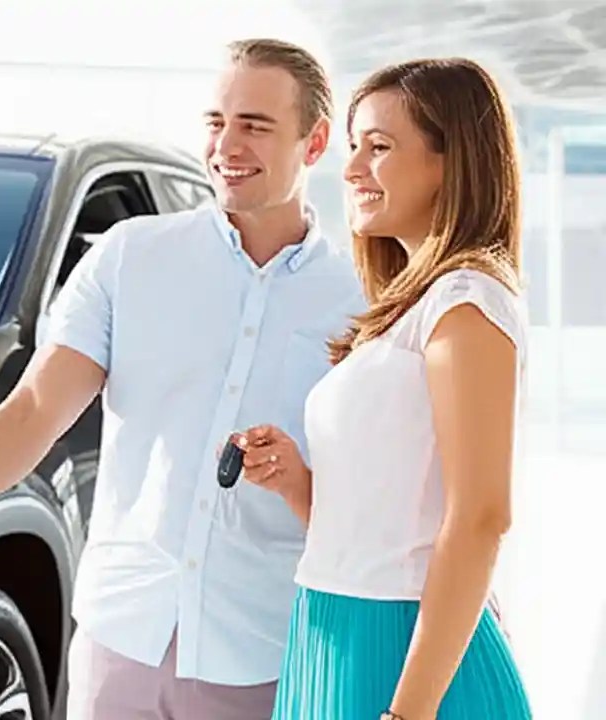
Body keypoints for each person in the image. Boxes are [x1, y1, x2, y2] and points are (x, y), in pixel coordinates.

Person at [0, 38, 365, 719]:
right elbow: (35, 407)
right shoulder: (130, 258)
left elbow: (380, 484)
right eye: (216, 121)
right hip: (124, 635)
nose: (226, 145)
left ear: (316, 140)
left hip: (269, 646)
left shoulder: (362, 297)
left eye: (255, 125)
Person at [232, 58, 534, 719]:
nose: (350, 169)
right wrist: (299, 485)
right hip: (332, 630)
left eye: (380, 146)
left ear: (449, 162)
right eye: (353, 146)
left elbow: (482, 518)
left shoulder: (466, 304)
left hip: (402, 660)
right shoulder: (406, 310)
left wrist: (410, 712)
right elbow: (389, 530)